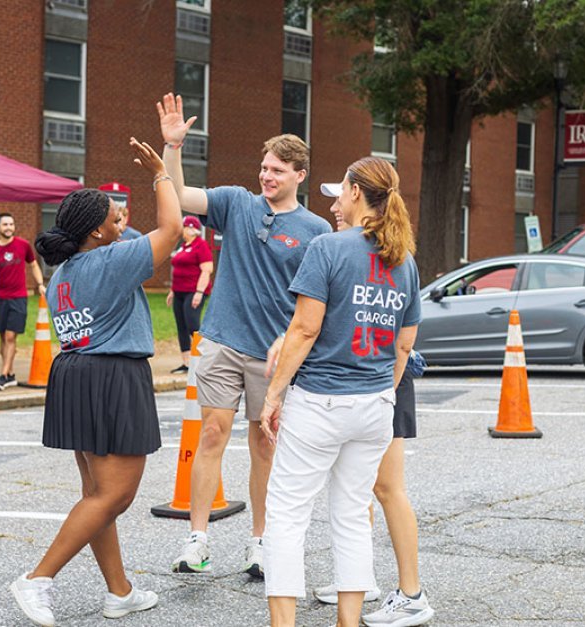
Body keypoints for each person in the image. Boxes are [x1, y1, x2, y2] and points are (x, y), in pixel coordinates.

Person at [8, 139, 182, 627]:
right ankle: (37, 579)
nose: (121, 217)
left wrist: (124, 223)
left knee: (95, 494)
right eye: (114, 214)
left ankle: (119, 592)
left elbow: (147, 238)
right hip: (111, 374)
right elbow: (171, 230)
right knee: (116, 496)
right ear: (97, 230)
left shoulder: (68, 268)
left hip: (75, 373)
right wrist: (161, 173)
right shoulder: (111, 261)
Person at [158, 92, 331, 577]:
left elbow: (315, 302)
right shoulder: (236, 202)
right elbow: (180, 195)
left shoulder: (316, 229)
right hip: (221, 341)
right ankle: (197, 539)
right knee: (211, 433)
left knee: (263, 444)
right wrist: (173, 148)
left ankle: (260, 542)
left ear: (300, 175)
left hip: (274, 355)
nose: (267, 176)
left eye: (277, 170)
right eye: (264, 167)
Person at [259, 157, 421, 627]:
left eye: (340, 190)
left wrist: (273, 396)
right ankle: (348, 622)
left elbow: (305, 329)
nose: (336, 199)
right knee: (351, 515)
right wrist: (382, 393)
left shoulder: (328, 248)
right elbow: (405, 344)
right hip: (374, 404)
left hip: (321, 400)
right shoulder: (403, 260)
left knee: (287, 514)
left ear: (354, 192)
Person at [310, 191, 435, 627]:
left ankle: (412, 593)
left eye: (338, 198)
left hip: (383, 382)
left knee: (386, 488)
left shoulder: (373, 252)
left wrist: (387, 389)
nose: (332, 207)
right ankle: (359, 579)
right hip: (373, 383)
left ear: (359, 197)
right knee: (356, 488)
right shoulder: (358, 248)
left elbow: (404, 337)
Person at [0, 213, 46, 390]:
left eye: (11, 224)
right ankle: (10, 374)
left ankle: (3, 375)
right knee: (3, 337)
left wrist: (40, 284)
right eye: (5, 224)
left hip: (19, 297)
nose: (9, 227)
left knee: (11, 336)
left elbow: (33, 265)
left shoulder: (23, 245)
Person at [166, 215, 213, 373]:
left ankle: (205, 357)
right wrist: (172, 290)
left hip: (193, 291)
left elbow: (207, 270)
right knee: (181, 326)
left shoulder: (201, 245)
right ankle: (186, 363)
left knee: (192, 324)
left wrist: (199, 292)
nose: (182, 230)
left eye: (184, 227)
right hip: (179, 291)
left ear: (192, 229)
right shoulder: (184, 246)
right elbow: (177, 269)